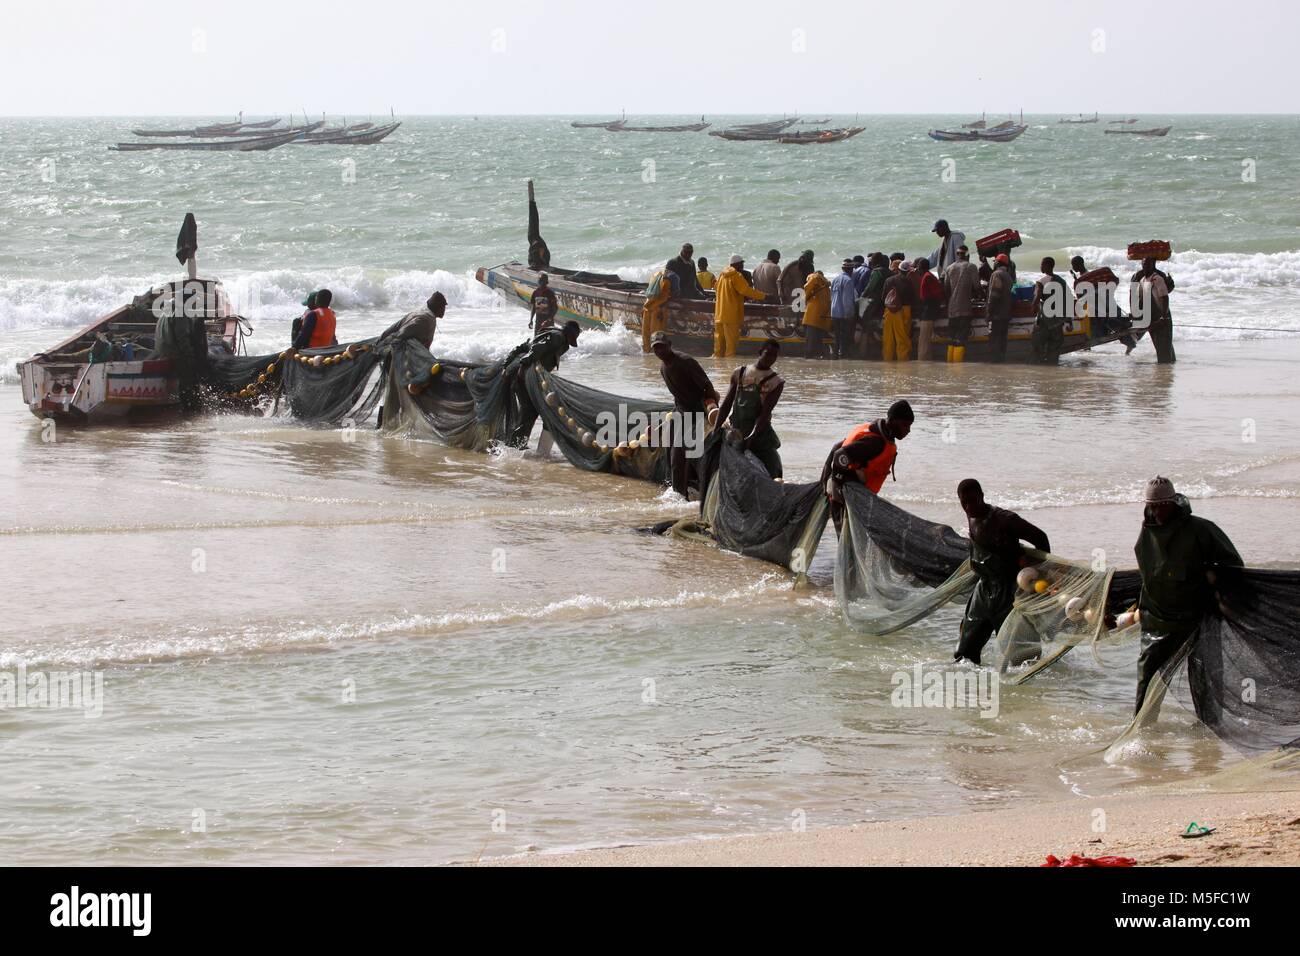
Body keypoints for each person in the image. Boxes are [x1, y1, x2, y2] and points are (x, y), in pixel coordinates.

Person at [1133, 476, 1243, 716]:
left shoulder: (1201, 529)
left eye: (1163, 505)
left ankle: (1209, 732)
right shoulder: (1147, 531)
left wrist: (1214, 580)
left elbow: (1234, 567)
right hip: (1157, 619)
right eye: (1153, 505)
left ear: (1174, 501)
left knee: (1204, 677)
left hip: (1197, 618)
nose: (1157, 510)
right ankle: (1142, 728)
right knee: (1148, 678)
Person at [953, 479, 1052, 666]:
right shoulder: (970, 515)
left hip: (1009, 592)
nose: (968, 507)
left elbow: (1040, 538)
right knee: (965, 654)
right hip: (984, 590)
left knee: (1023, 659)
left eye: (972, 501)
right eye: (963, 503)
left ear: (982, 497)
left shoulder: (1005, 519)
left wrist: (1036, 569)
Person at [824, 400, 915, 534]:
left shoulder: (877, 432)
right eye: (905, 425)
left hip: (858, 497)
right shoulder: (876, 442)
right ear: (893, 421)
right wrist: (836, 494)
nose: (908, 430)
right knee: (848, 539)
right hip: (847, 499)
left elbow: (838, 446)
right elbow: (839, 455)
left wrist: (825, 476)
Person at [651, 331, 720, 497]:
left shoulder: (685, 362)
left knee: (678, 454)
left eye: (662, 347)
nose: (659, 351)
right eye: (656, 348)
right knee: (668, 448)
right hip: (680, 411)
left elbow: (707, 386)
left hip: (695, 412)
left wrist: (711, 409)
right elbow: (678, 395)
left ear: (670, 345)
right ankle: (684, 485)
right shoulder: (663, 368)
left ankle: (679, 495)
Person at [715, 340, 784, 479]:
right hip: (736, 431)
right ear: (759, 353)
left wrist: (751, 438)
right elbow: (726, 404)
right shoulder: (739, 373)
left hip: (761, 433)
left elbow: (764, 414)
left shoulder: (776, 382)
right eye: (768, 354)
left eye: (774, 356)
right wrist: (716, 428)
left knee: (773, 469)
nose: (771, 358)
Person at [712, 254, 765, 358]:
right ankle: (728, 370)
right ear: (736, 264)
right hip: (731, 316)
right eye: (741, 264)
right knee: (731, 348)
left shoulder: (722, 276)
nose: (742, 266)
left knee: (718, 349)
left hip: (719, 316)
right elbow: (745, 290)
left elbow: (716, 288)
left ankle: (718, 370)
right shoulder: (736, 276)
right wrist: (763, 296)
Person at [1132, 257, 1176, 363]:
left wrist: (1163, 317)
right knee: (1163, 349)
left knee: (1164, 354)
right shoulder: (1143, 280)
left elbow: (1165, 298)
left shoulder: (1157, 279)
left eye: (1147, 264)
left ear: (1153, 265)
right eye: (1143, 264)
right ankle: (1168, 372)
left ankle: (1165, 376)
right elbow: (1142, 300)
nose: (1145, 267)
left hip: (1162, 319)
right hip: (1152, 320)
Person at [1030, 257, 1071, 365]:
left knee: (1037, 348)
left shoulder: (1041, 281)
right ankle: (1052, 372)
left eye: (1042, 264)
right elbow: (1068, 300)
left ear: (1048, 266)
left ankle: (1040, 372)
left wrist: (1033, 307)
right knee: (1054, 350)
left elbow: (1037, 297)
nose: (1041, 267)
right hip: (1057, 322)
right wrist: (1069, 321)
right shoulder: (1061, 281)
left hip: (1044, 321)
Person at [942, 245, 980, 361]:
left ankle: (950, 364)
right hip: (965, 309)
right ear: (967, 255)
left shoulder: (949, 268)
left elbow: (946, 289)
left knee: (952, 339)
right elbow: (977, 287)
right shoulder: (971, 267)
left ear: (957, 254)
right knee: (961, 339)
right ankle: (957, 369)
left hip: (952, 309)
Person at [381, 291, 447, 349]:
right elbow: (400, 335)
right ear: (438, 307)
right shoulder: (427, 320)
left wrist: (379, 341)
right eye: (443, 306)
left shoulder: (415, 313)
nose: (444, 309)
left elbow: (391, 329)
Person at [881, 258, 916, 362]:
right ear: (908, 271)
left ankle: (887, 360)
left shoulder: (889, 280)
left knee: (888, 338)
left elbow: (883, 297)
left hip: (889, 311)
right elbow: (912, 299)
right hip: (903, 311)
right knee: (902, 339)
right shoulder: (909, 282)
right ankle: (902, 362)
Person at [641, 263, 679, 352]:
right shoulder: (673, 276)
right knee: (657, 335)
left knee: (646, 336)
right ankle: (655, 357)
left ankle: (646, 355)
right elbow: (675, 293)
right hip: (659, 309)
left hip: (647, 307)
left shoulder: (655, 274)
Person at [986, 254, 1014, 362]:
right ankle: (1001, 363)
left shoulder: (997, 274)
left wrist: (989, 312)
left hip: (996, 315)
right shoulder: (1008, 276)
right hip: (1005, 314)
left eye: (995, 262)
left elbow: (994, 295)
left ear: (997, 263)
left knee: (994, 341)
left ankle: (994, 364)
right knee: (1002, 340)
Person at [913, 256, 943, 360]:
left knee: (923, 341)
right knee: (925, 340)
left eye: (918, 268)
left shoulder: (927, 277)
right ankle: (927, 360)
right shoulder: (929, 276)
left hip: (928, 313)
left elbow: (929, 297)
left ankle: (923, 362)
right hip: (929, 311)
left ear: (921, 268)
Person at [830, 258, 858, 359]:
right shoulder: (849, 281)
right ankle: (844, 356)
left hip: (834, 312)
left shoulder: (835, 279)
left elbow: (831, 296)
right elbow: (847, 301)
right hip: (843, 314)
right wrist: (849, 315)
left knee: (836, 336)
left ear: (842, 268)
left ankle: (835, 355)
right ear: (852, 269)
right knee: (845, 337)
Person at [801, 268, 831, 358]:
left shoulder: (814, 276)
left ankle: (809, 360)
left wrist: (805, 299)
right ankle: (816, 362)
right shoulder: (826, 287)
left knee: (810, 344)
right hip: (822, 319)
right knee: (817, 343)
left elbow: (807, 287)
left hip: (811, 317)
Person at [527, 180, 550, 270]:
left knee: (533, 221)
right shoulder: (536, 248)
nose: (541, 251)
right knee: (533, 220)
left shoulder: (544, 252)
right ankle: (532, 203)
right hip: (534, 240)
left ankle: (532, 203)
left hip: (534, 239)